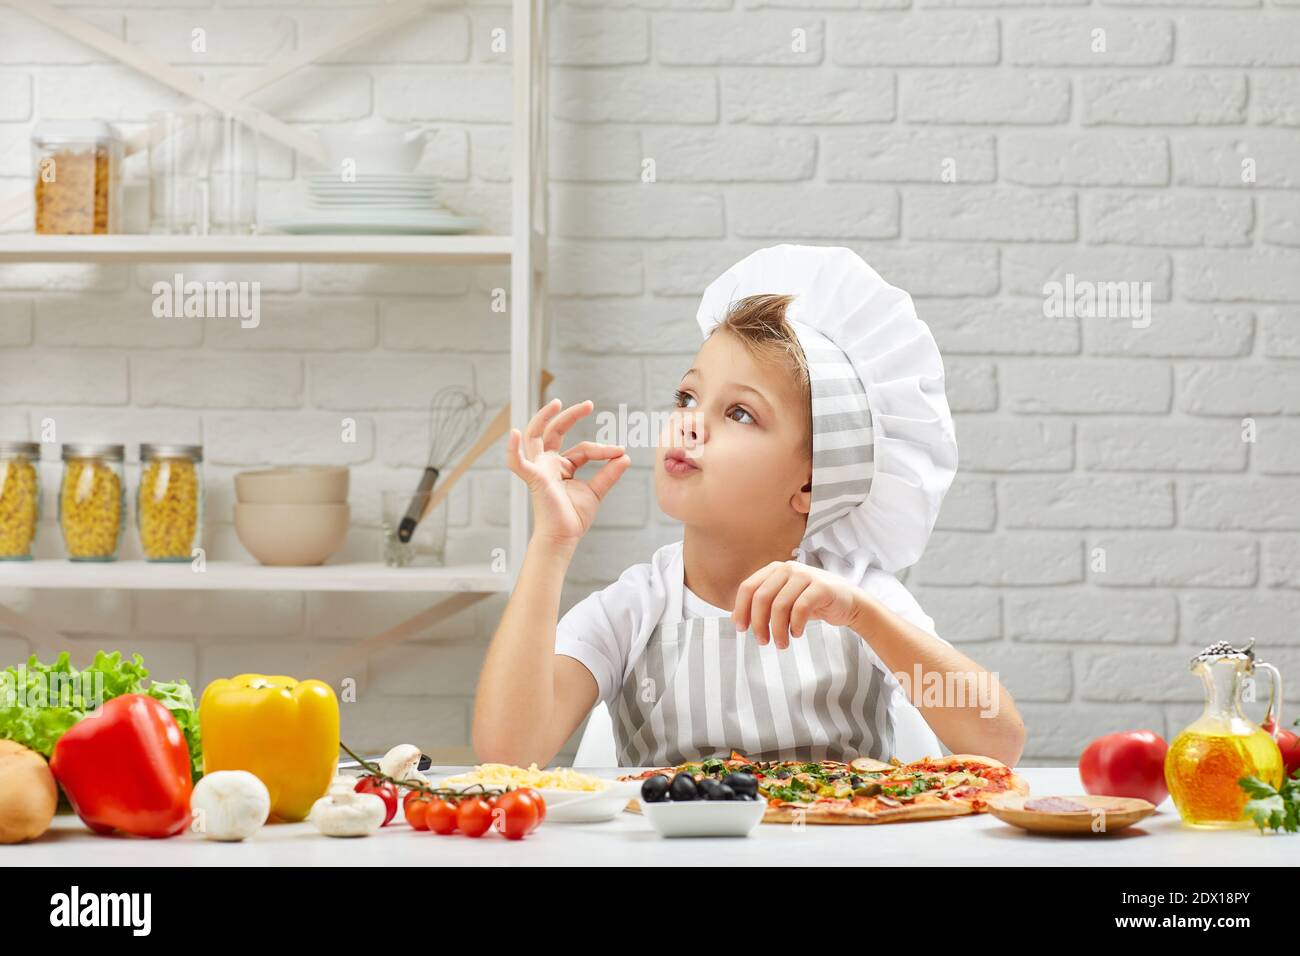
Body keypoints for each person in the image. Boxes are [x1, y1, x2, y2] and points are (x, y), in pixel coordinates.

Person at [473, 245, 1026, 768]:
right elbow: (507, 752)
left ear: (811, 484)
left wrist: (866, 617)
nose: (690, 421)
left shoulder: (856, 598)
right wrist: (552, 543)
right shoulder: (637, 607)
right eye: (688, 397)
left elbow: (999, 741)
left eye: (739, 413)